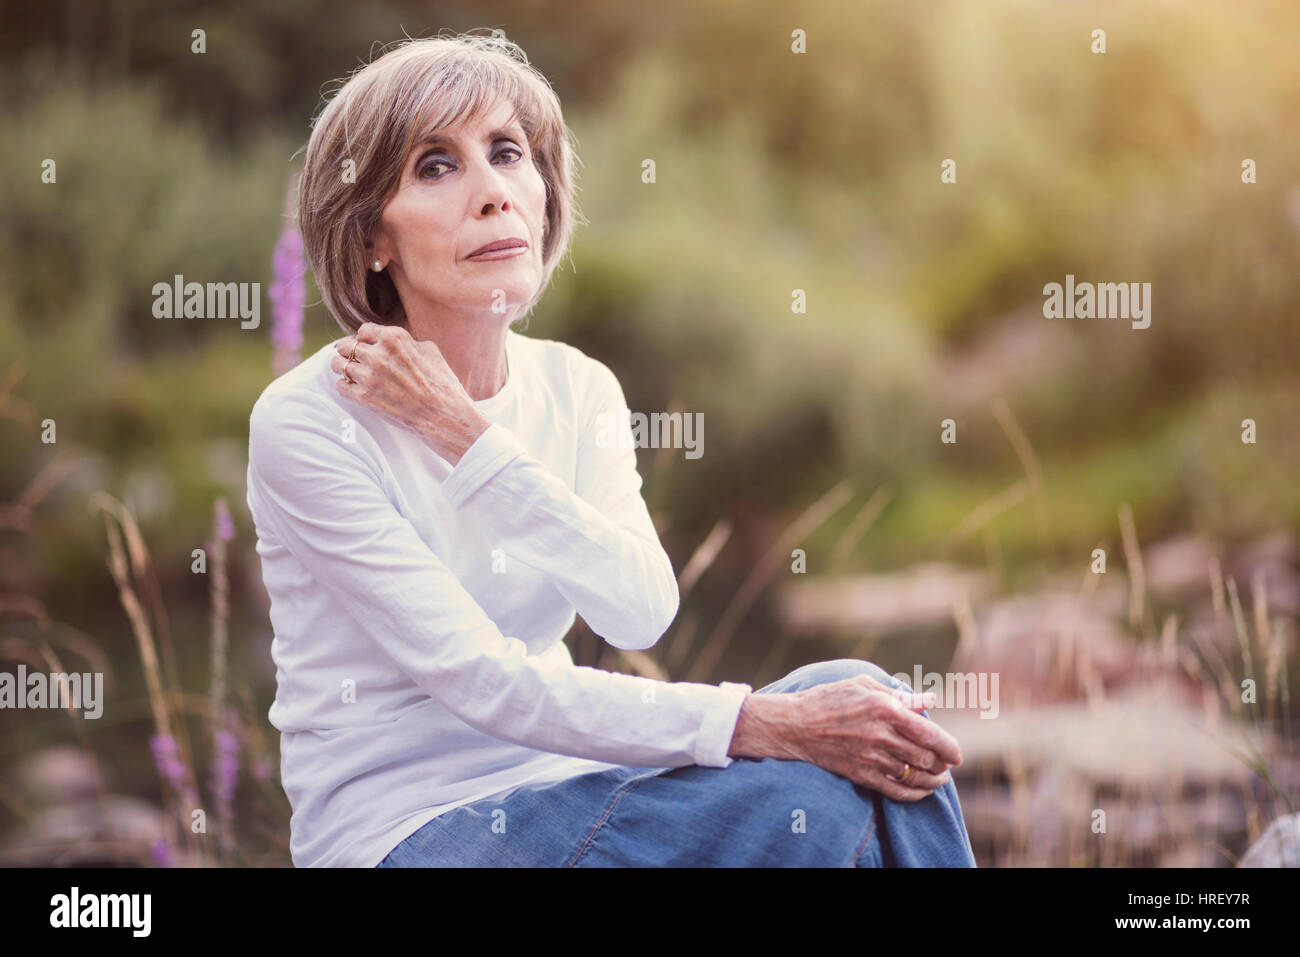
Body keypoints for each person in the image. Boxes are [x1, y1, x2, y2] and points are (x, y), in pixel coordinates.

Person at [246, 31, 976, 867]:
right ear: (372, 235)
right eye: (436, 166)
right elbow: (483, 680)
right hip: (415, 834)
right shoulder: (306, 423)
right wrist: (762, 724)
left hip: (571, 789)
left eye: (507, 152)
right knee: (807, 785)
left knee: (875, 701)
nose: (493, 192)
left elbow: (640, 609)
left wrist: (468, 434)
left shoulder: (576, 385)